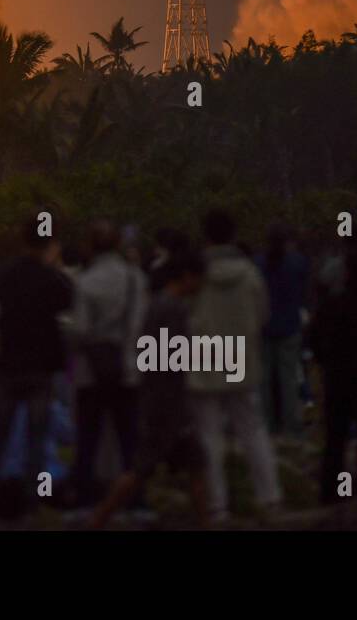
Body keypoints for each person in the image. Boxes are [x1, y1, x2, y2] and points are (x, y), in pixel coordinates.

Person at [90, 250, 209, 528]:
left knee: (195, 465)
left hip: (160, 397)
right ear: (188, 276)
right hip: (168, 403)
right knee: (142, 469)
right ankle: (98, 519)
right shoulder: (174, 309)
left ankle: (206, 522)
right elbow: (174, 357)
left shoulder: (155, 305)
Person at [190, 209, 281, 520]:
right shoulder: (250, 272)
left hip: (204, 360)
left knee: (209, 435)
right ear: (232, 235)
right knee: (253, 430)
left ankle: (218, 506)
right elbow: (263, 314)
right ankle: (270, 496)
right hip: (242, 359)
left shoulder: (196, 273)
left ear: (206, 235)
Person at [0, 217, 73, 516]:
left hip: (8, 366)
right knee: (38, 436)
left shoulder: (4, 275)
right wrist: (52, 265)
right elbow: (68, 299)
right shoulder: (50, 278)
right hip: (40, 368)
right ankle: (30, 505)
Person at [70, 219, 147, 507]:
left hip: (91, 372)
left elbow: (79, 330)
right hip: (127, 369)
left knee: (88, 439)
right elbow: (139, 324)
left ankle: (85, 501)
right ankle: (136, 501)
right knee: (129, 439)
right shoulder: (134, 278)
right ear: (118, 244)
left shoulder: (85, 281)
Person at [307, 226, 357, 503]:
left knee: (335, 436)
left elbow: (313, 336)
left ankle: (331, 490)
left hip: (338, 375)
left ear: (346, 271)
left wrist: (324, 360)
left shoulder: (333, 303)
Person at [256, 225, 309, 438]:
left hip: (264, 326)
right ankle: (292, 426)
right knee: (288, 379)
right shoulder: (297, 262)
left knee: (264, 380)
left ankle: (267, 425)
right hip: (289, 326)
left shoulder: (258, 264)